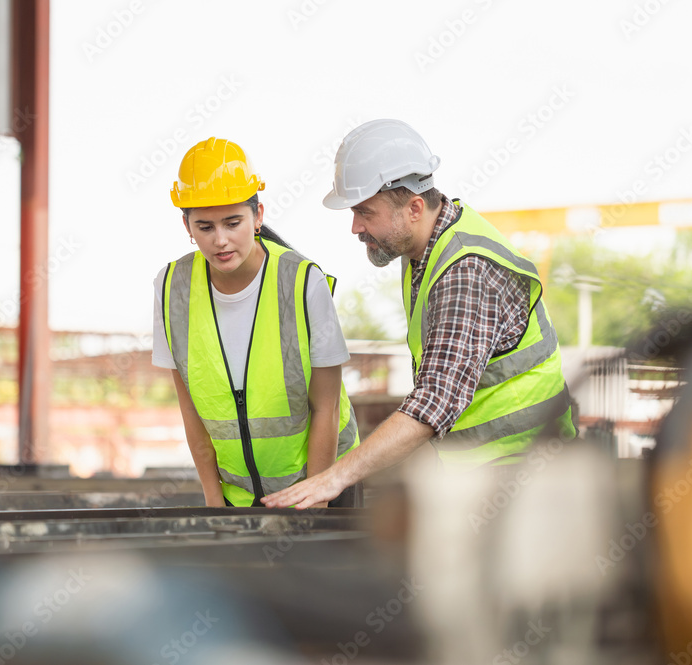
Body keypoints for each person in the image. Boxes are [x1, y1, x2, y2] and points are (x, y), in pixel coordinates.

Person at [263, 119, 576, 509]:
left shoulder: (465, 270)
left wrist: (333, 479)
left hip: (529, 485)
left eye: (365, 212)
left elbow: (432, 404)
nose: (355, 227)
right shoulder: (424, 252)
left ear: (414, 207)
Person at [152, 137, 361, 508]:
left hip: (326, 488)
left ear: (258, 215)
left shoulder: (302, 283)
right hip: (239, 500)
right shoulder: (172, 290)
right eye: (204, 227)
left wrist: (316, 502)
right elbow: (191, 414)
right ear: (186, 225)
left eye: (233, 223)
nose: (220, 240)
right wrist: (215, 504)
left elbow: (325, 408)